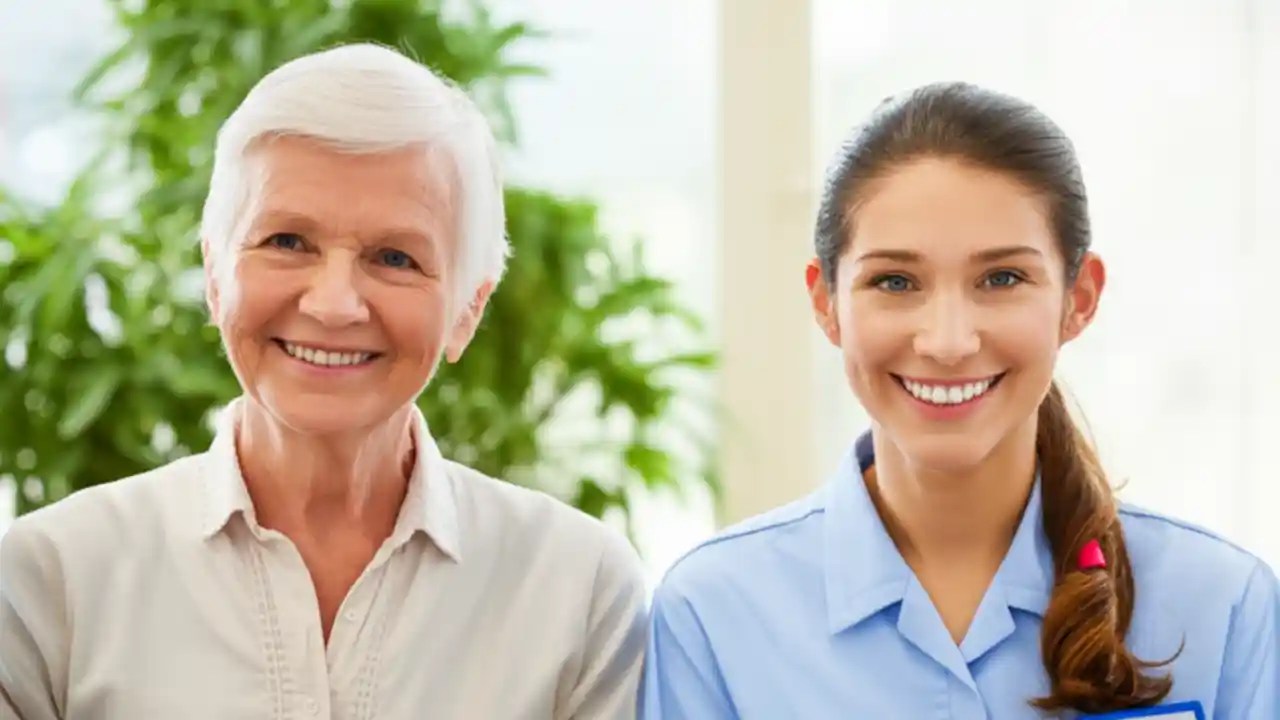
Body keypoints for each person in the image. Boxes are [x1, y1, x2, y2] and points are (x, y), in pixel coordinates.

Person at [0, 44, 646, 720]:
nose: (334, 304)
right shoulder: (54, 578)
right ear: (216, 277)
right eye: (286, 242)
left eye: (395, 257)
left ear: (467, 311)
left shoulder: (578, 589)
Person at [639, 82, 1278, 718]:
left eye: (1002, 278)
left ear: (1078, 299)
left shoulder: (1224, 606)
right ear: (825, 304)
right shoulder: (714, 616)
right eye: (895, 281)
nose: (948, 342)